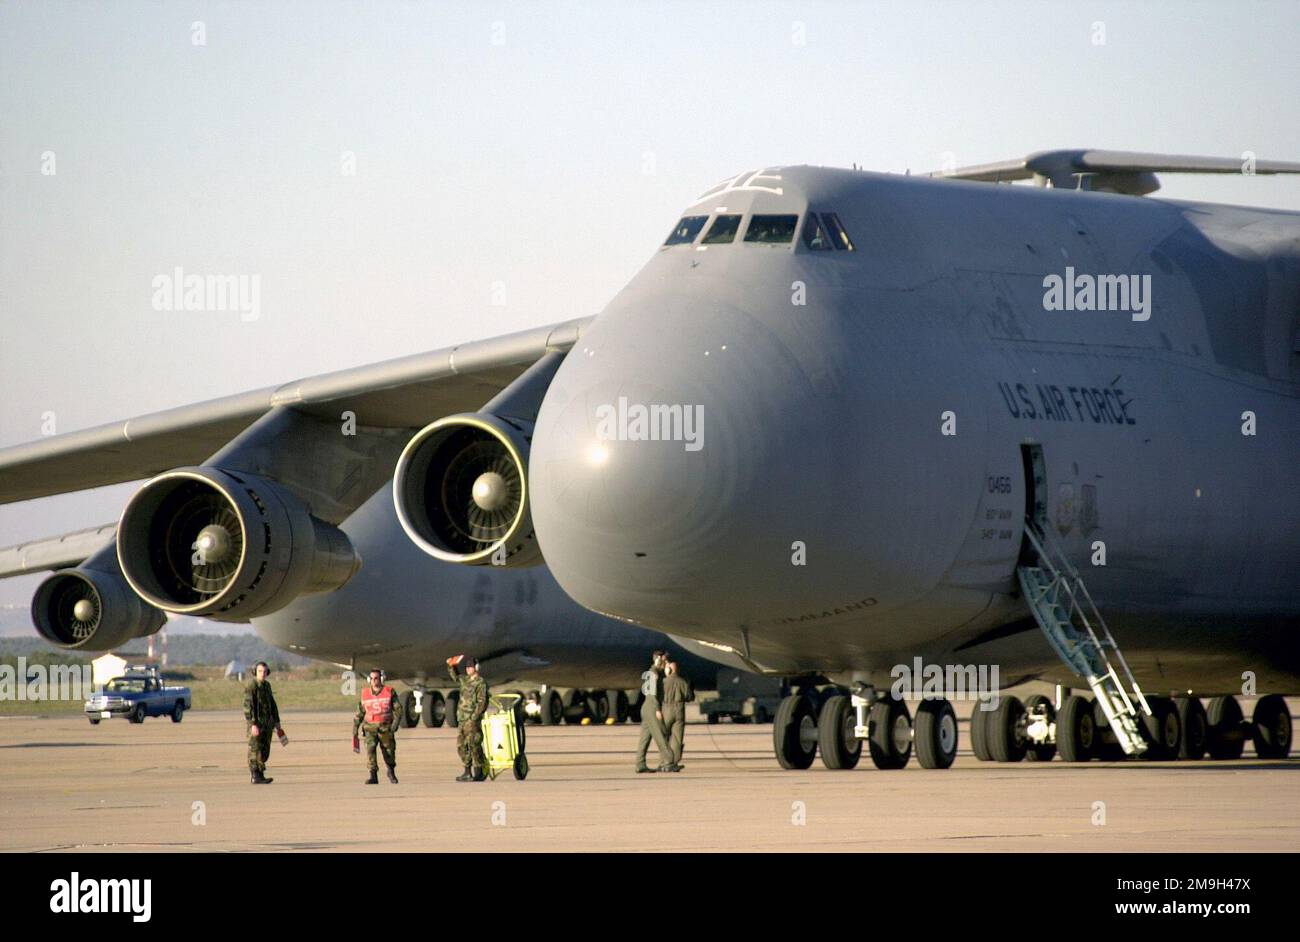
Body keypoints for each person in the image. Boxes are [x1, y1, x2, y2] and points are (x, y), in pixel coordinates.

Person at [352, 668, 401, 784]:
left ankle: (391, 772)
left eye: (376, 678)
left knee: (389, 752)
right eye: (372, 678)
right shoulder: (365, 693)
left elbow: (398, 709)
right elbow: (360, 713)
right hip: (370, 728)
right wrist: (355, 729)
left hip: (385, 728)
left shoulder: (389, 692)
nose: (374, 681)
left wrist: (395, 725)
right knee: (370, 750)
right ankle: (373, 775)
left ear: (381, 679)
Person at [446, 654, 488, 782]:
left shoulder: (480, 683)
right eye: (467, 667)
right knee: (461, 745)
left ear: (476, 667)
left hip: (472, 719)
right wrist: (451, 665)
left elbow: (483, 701)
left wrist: (475, 716)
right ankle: (467, 771)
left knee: (474, 745)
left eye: (470, 667)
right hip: (462, 719)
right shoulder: (465, 680)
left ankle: (479, 771)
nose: (468, 669)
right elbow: (455, 676)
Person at [243, 661, 283, 785]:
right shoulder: (252, 685)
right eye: (260, 671)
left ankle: (260, 774)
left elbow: (272, 704)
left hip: (267, 723)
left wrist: (277, 722)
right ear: (255, 672)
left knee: (264, 749)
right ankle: (255, 775)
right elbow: (249, 705)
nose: (263, 674)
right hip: (256, 723)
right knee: (255, 748)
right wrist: (253, 723)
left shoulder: (267, 685)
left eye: (265, 671)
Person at [634, 650, 673, 773]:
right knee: (661, 735)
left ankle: (640, 764)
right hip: (651, 707)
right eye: (664, 660)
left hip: (648, 707)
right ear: (658, 659)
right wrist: (657, 709)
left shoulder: (656, 673)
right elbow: (652, 694)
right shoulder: (653, 673)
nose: (666, 662)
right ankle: (669, 762)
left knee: (645, 738)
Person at [661, 660, 692, 772]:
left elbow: (658, 696)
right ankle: (674, 762)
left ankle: (665, 762)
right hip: (679, 710)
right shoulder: (682, 681)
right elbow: (689, 697)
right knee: (677, 738)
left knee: (664, 737)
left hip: (666, 709)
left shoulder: (663, 682)